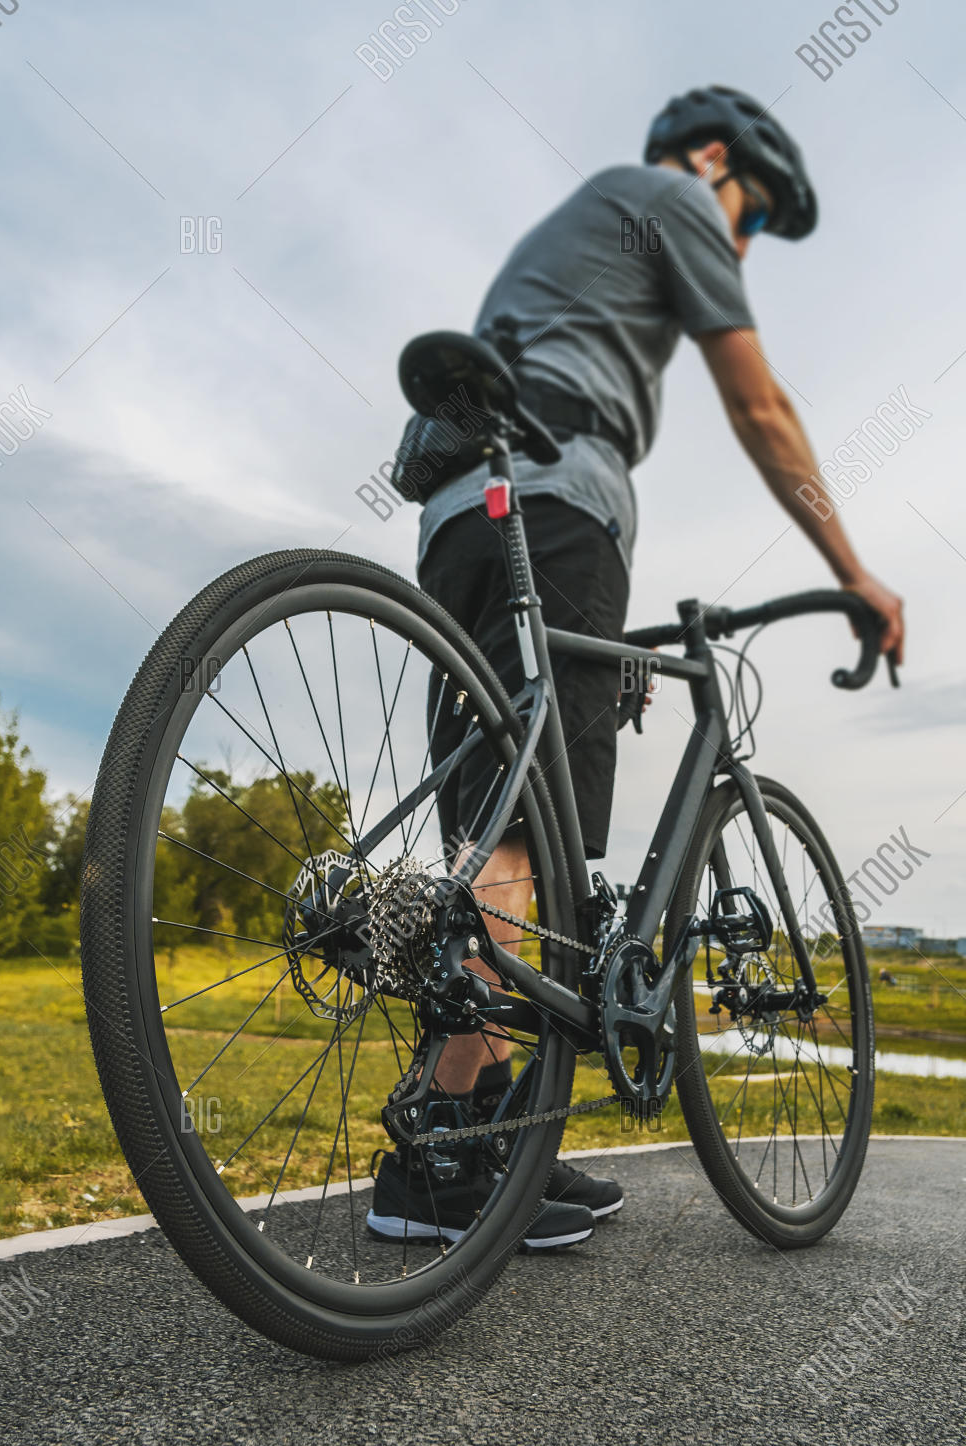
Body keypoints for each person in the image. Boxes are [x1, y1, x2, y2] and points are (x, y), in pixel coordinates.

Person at [367, 85, 905, 1252]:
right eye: (750, 213)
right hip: (560, 498)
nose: (739, 244)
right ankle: (439, 1152)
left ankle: (487, 1139)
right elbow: (758, 404)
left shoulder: (580, 230)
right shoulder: (675, 197)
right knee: (529, 843)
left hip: (463, 514)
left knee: (490, 830)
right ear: (712, 159)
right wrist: (855, 572)